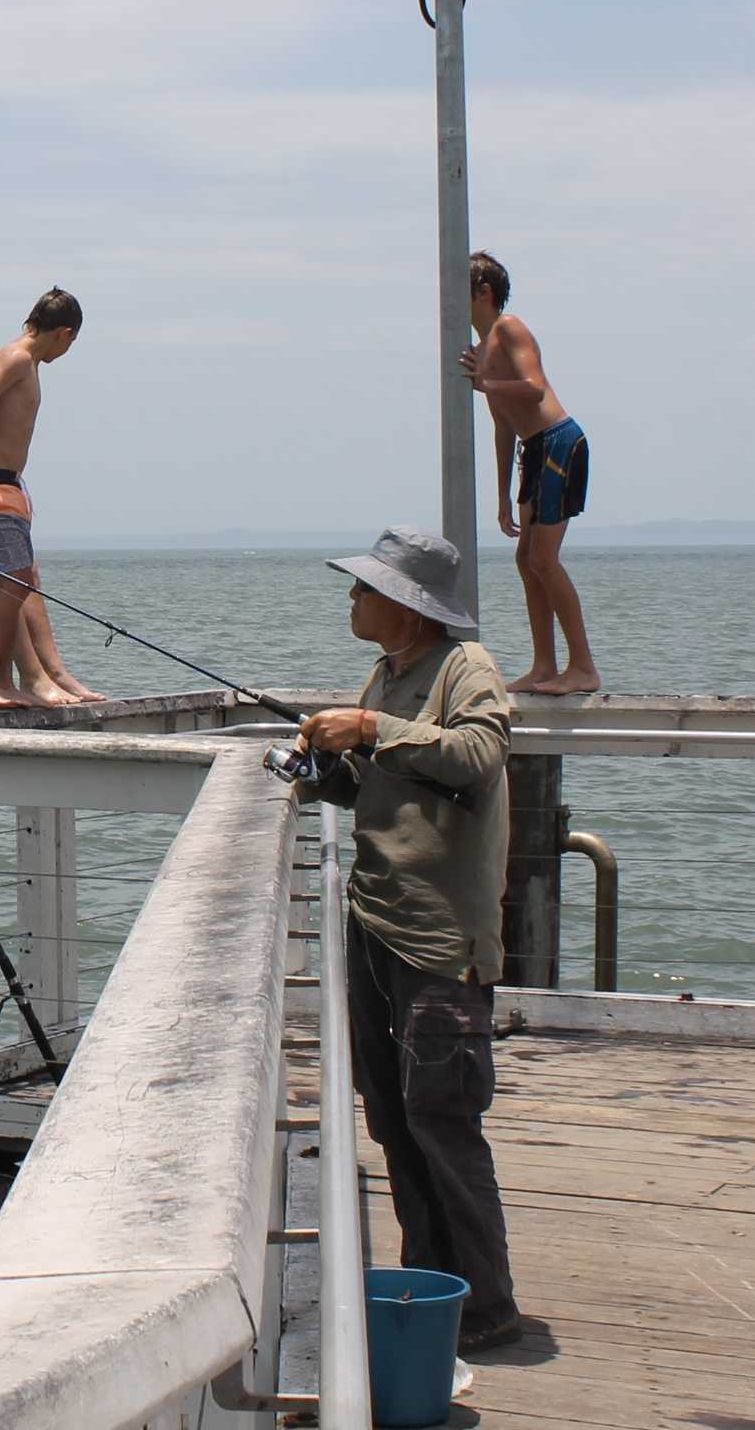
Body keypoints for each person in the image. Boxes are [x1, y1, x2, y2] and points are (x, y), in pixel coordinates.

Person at [294, 525, 525, 1356]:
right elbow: (376, 786)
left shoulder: (467, 668)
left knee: (444, 1118)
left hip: (439, 941)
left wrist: (368, 728)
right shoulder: (387, 674)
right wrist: (327, 767)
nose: (351, 599)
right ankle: (430, 1286)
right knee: (392, 1118)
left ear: (406, 605)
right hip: (376, 923)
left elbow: (477, 754)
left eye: (364, 589)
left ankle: (489, 1309)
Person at [460, 251, 598, 695]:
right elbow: (503, 425)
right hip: (532, 449)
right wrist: (501, 496)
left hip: (559, 440)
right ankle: (544, 665)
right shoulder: (480, 353)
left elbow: (534, 387)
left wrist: (487, 383)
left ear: (483, 292)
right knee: (525, 558)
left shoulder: (509, 328)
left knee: (543, 558)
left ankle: (583, 667)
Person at [0, 288, 103, 708]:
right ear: (65, 333)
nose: (67, 351)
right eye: (71, 343)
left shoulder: (28, 362)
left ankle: (37, 676)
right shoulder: (18, 358)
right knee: (13, 578)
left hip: (9, 481)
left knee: (23, 577)